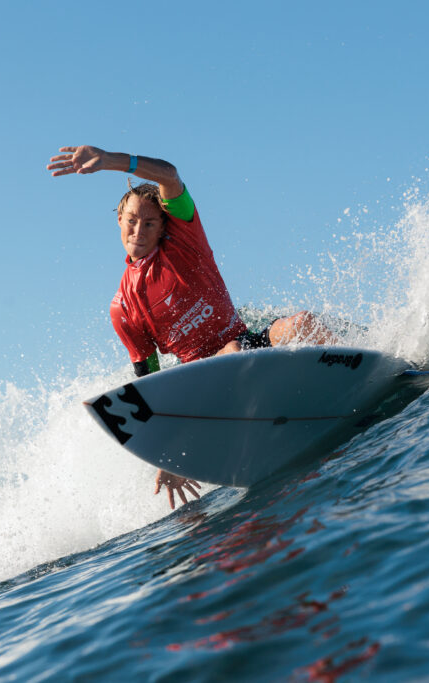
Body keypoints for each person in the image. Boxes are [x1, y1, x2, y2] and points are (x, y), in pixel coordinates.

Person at [47, 145, 334, 509]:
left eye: (150, 222)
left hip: (244, 343)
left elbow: (169, 175)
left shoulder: (185, 238)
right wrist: (166, 455)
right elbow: (147, 381)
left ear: (165, 225)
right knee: (229, 356)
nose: (139, 229)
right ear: (119, 219)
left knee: (302, 324)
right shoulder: (123, 307)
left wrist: (113, 161)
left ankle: (353, 374)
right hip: (203, 384)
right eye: (132, 220)